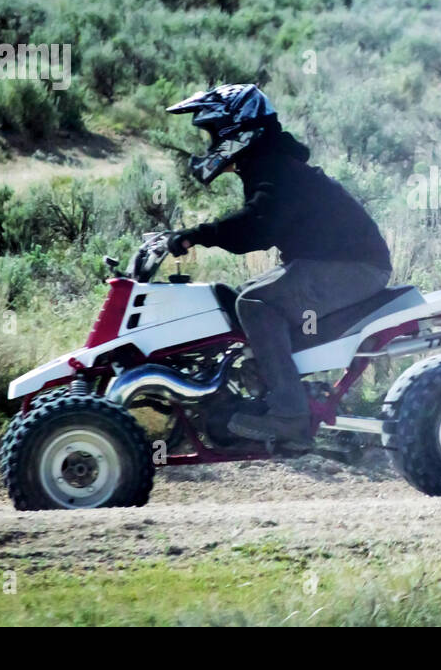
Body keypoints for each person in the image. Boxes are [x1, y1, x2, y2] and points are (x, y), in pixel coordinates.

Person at [165, 83, 391, 449]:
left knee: (253, 304)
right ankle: (266, 391)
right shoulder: (269, 163)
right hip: (339, 263)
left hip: (355, 267)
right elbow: (260, 226)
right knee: (241, 300)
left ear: (235, 128)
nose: (209, 145)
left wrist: (197, 235)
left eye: (212, 133)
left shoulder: (274, 167)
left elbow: (255, 227)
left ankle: (289, 417)